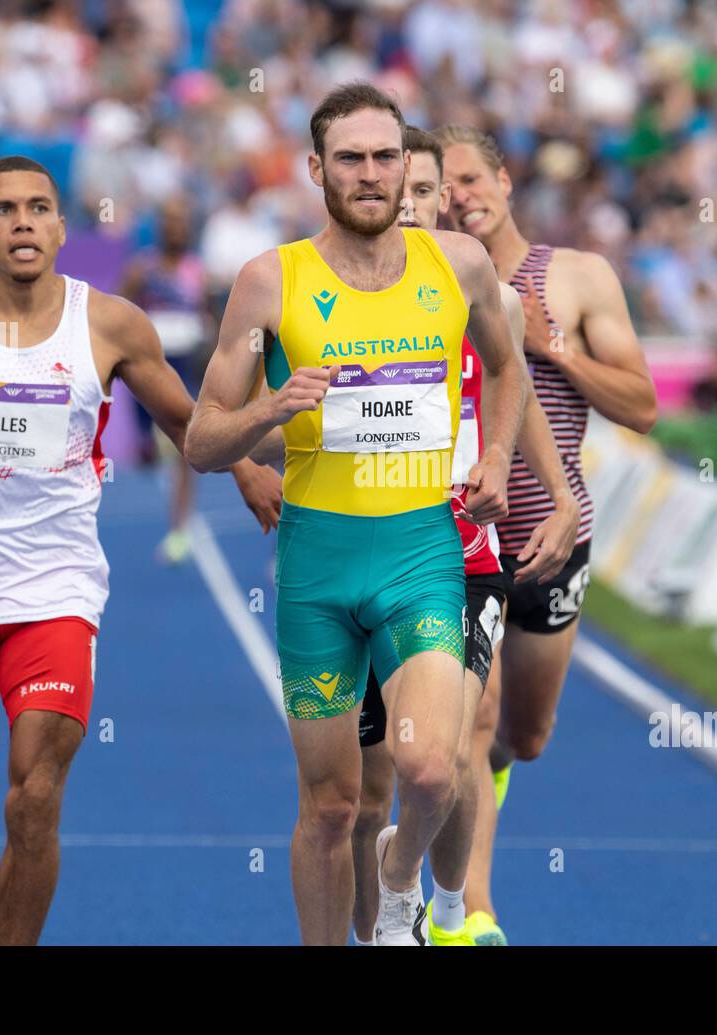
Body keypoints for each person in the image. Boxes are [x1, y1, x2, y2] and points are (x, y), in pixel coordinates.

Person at [0, 156, 282, 945]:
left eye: (39, 208)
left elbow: (185, 419)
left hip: (57, 597)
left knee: (36, 793)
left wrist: (242, 468)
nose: (23, 221)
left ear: (63, 227)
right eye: (3, 210)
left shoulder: (110, 324)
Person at [184, 83, 527, 946]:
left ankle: (403, 877)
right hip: (316, 568)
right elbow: (200, 441)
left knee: (431, 762)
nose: (371, 175)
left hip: (422, 553)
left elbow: (507, 367)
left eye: (386, 158)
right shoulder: (271, 281)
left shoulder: (460, 265)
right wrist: (268, 410)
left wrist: (493, 456)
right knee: (332, 805)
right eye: (351, 159)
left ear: (410, 167)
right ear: (316, 170)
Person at [349, 126, 579, 946]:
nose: (407, 204)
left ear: (443, 196)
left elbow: (517, 399)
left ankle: (445, 900)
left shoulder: (483, 290)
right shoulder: (330, 288)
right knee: (372, 784)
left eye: (423, 190)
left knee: (446, 750)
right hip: (358, 552)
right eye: (395, 188)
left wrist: (556, 497)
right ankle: (384, 911)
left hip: (462, 556)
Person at [438, 125, 657, 941]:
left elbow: (639, 406)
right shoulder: (425, 283)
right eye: (444, 186)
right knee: (474, 719)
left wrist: (547, 344)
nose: (460, 198)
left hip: (556, 538)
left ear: (503, 178)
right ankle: (469, 905)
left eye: (470, 179)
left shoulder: (575, 276)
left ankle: (471, 813)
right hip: (460, 541)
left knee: (522, 738)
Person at [119, 198, 244, 561]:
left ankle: (178, 530)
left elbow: (214, 322)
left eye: (182, 221)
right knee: (147, 453)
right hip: (147, 370)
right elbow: (117, 315)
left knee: (183, 448)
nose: (176, 228)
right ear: (159, 226)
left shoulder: (197, 271)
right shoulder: (141, 270)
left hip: (186, 368)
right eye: (170, 220)